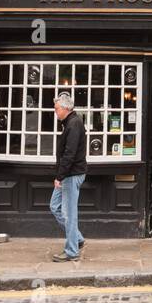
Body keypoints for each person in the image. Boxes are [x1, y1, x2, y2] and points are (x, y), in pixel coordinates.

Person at [49, 91, 87, 261]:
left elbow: (69, 154)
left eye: (57, 108)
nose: (55, 111)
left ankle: (72, 251)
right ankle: (77, 238)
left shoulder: (74, 124)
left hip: (71, 175)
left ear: (65, 108)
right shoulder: (70, 123)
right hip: (67, 175)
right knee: (55, 206)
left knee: (69, 214)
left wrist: (60, 176)